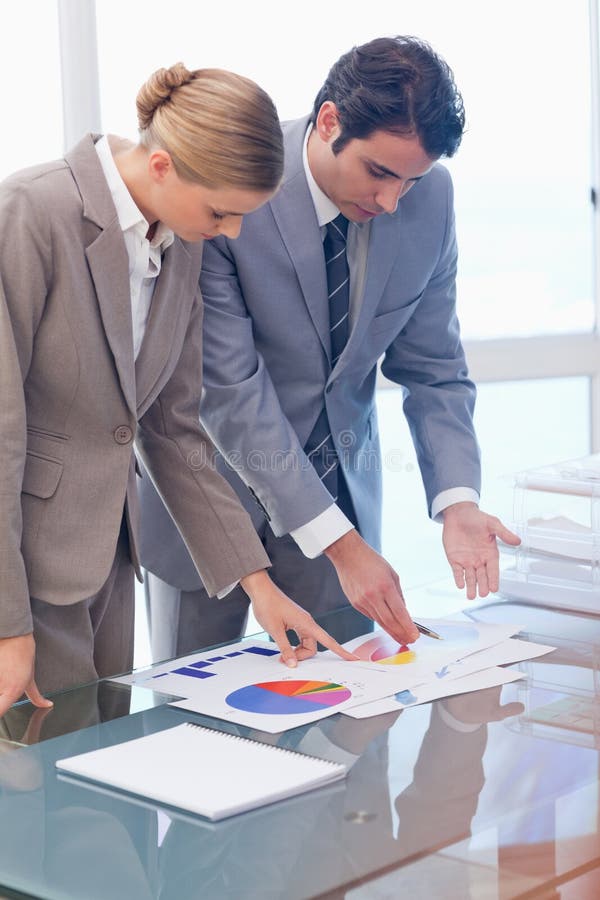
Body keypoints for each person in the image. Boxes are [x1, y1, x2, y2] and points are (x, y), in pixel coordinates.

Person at [139, 35, 520, 661]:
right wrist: (342, 546)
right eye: (380, 173)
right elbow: (227, 388)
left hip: (340, 494)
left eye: (411, 180)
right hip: (208, 502)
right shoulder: (238, 179)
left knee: (344, 706)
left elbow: (434, 370)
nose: (391, 201)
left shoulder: (431, 200)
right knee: (189, 703)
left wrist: (458, 501)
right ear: (329, 121)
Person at [0, 62, 356, 719]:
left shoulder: (180, 242)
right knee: (35, 768)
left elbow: (173, 430)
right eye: (222, 212)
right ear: (162, 166)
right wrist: (6, 624)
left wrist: (259, 585)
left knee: (102, 760)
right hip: (22, 574)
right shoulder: (32, 211)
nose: (232, 232)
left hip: (111, 567)